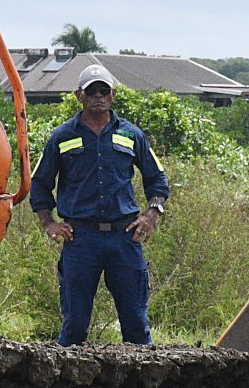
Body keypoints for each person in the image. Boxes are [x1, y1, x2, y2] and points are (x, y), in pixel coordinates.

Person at [28, 63, 169, 345]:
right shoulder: (62, 137)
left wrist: (151, 214)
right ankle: (67, 385)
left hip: (124, 238)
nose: (98, 97)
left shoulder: (131, 135)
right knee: (75, 324)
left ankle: (140, 387)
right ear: (79, 95)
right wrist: (49, 223)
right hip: (81, 240)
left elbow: (158, 179)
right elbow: (39, 183)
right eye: (92, 91)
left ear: (113, 95)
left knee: (136, 324)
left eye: (104, 91)